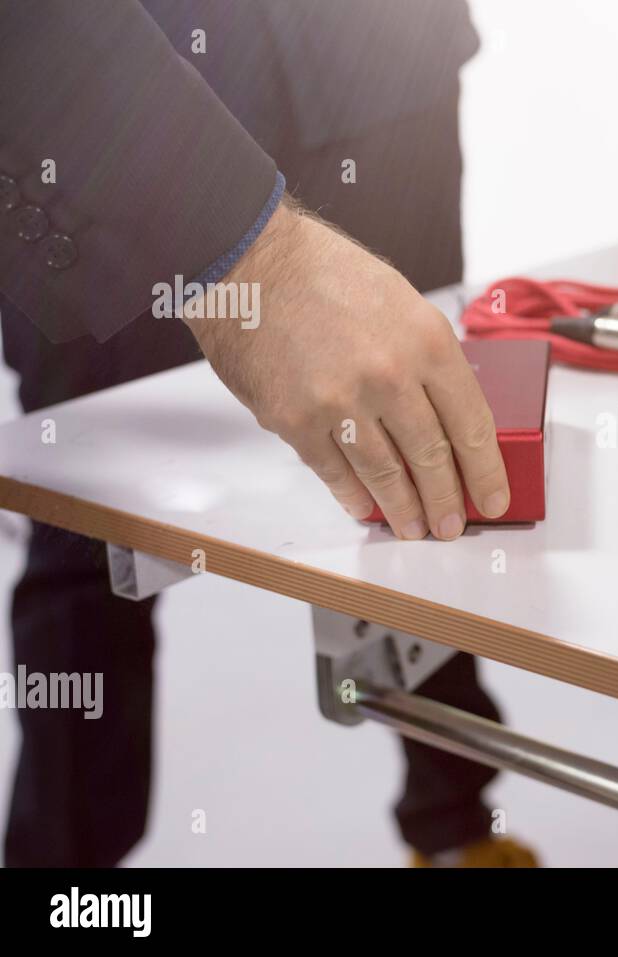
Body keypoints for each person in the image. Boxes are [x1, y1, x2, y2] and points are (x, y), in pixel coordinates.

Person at [0, 0, 533, 867]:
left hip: (376, 68)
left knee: (420, 463)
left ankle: (456, 820)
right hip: (114, 100)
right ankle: (63, 881)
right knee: (87, 520)